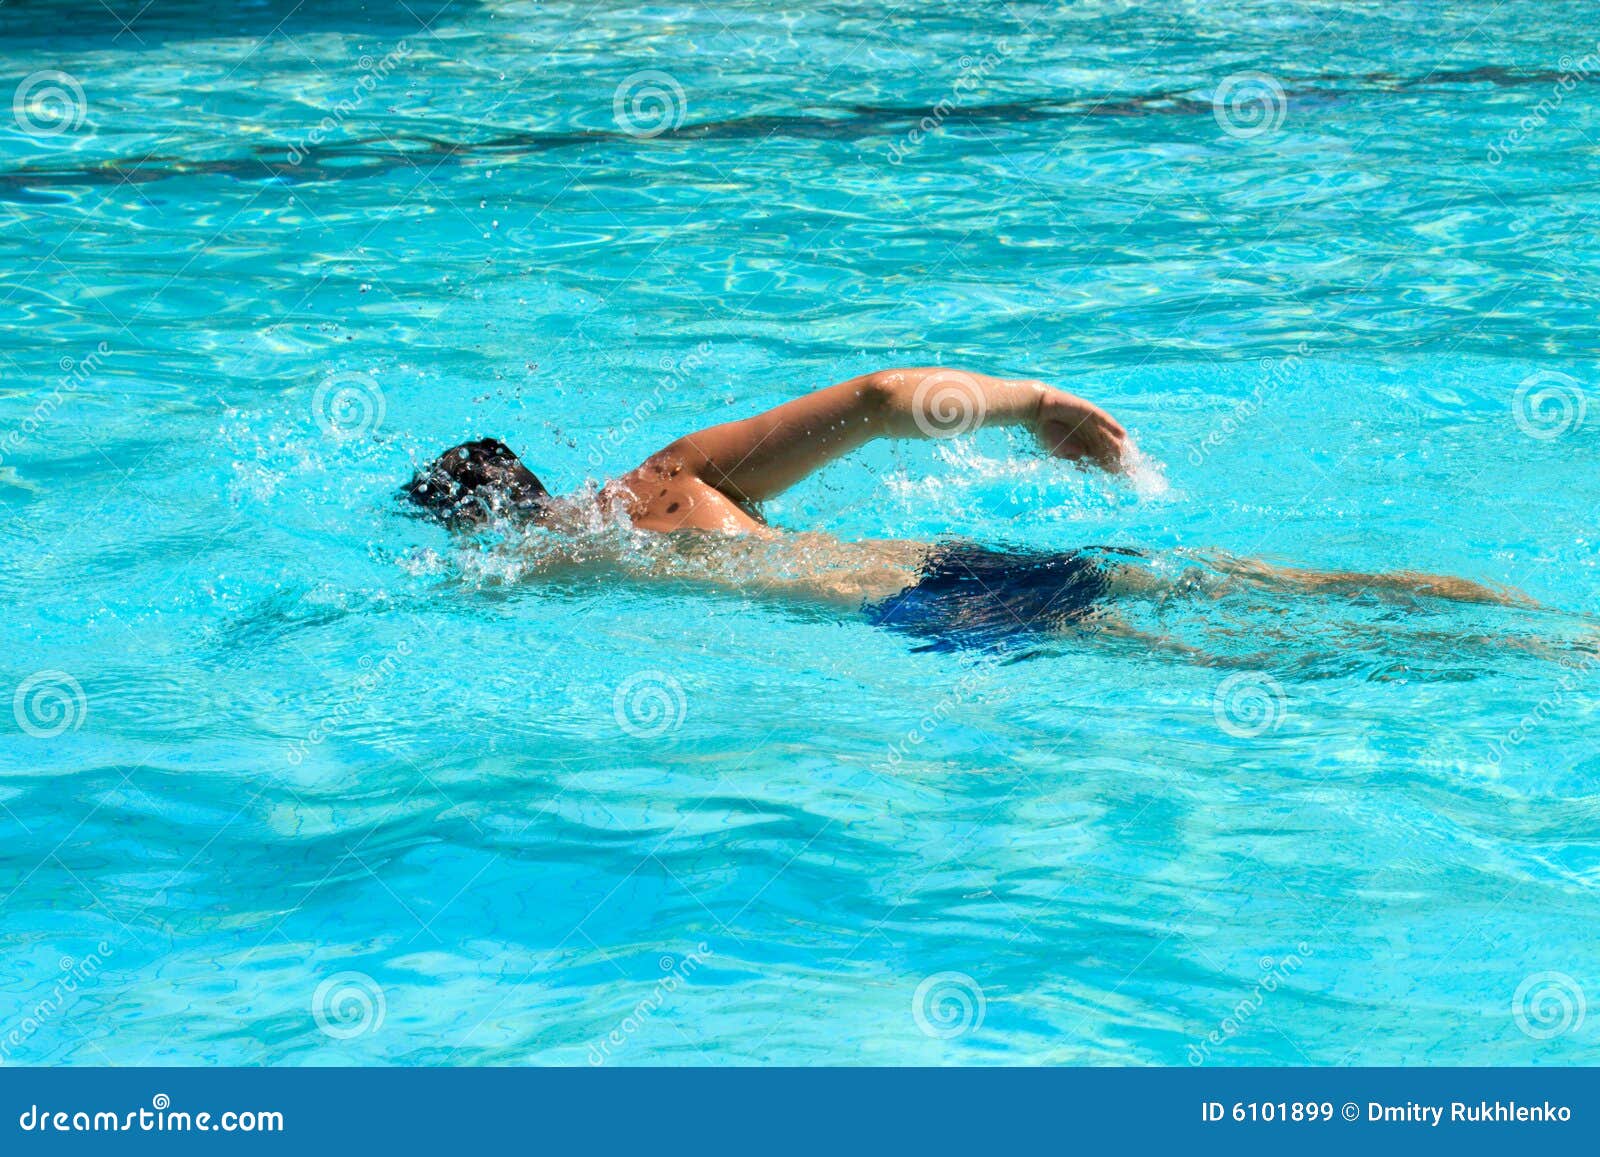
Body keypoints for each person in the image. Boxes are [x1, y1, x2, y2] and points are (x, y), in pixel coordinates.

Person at [401, 366, 1528, 651]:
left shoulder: (537, 560)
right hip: (944, 557)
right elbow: (890, 398)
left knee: (1223, 647)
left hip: (926, 611)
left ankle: (1541, 651)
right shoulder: (673, 474)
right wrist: (1034, 404)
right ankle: (1542, 625)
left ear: (482, 520)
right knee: (1240, 586)